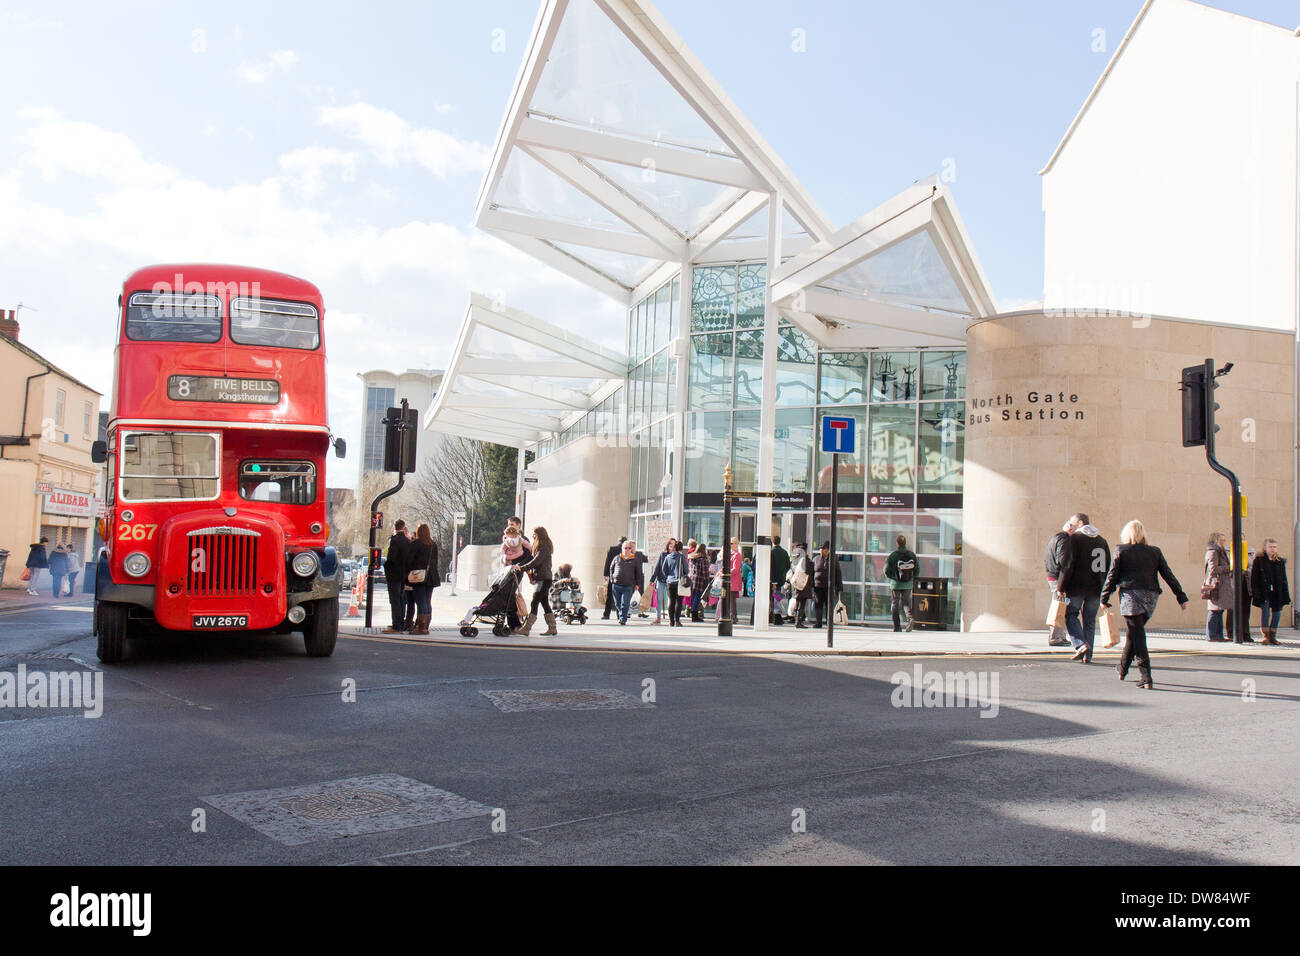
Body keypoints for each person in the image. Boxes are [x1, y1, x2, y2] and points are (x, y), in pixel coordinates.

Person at [1100, 520, 1188, 690]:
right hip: (1150, 597)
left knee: (1137, 635)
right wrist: (1181, 596)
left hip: (1131, 596)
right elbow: (1168, 574)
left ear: (1127, 534)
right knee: (1134, 633)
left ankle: (1146, 676)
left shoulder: (1121, 550)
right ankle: (1122, 667)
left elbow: (1112, 576)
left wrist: (1104, 597)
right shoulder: (1155, 552)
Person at [1057, 514, 1111, 662]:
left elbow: (1067, 565)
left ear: (1081, 523)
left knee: (1070, 615)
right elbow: (1107, 566)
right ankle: (1088, 655)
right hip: (1096, 588)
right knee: (1089, 620)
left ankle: (1080, 644)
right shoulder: (1102, 541)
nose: (1071, 527)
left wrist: (1061, 587)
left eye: (1073, 524)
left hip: (1077, 587)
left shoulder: (1074, 539)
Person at [515, 526, 556, 636]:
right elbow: (531, 559)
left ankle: (526, 628)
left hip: (544, 579)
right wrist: (520, 565)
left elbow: (536, 561)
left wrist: (522, 568)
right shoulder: (540, 545)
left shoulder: (544, 546)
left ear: (539, 534)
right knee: (544, 603)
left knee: (534, 602)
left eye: (534, 533)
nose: (533, 536)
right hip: (542, 578)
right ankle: (552, 628)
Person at [1250, 537, 1290, 645]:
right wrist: (1255, 592)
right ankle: (1265, 636)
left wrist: (1286, 593)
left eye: (1274, 547)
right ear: (1265, 548)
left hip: (1277, 592)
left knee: (1277, 614)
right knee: (1266, 613)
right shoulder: (1259, 560)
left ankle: (1273, 636)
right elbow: (1254, 578)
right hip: (1264, 591)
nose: (1272, 549)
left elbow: (1283, 579)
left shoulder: (1280, 561)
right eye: (1270, 547)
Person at [403, 524, 442, 635]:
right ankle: (426, 625)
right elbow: (435, 561)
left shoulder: (416, 544)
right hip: (431, 576)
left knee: (421, 601)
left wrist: (409, 572)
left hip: (419, 576)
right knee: (427, 601)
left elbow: (409, 560)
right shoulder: (433, 545)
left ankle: (421, 627)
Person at [1044, 519, 1074, 646]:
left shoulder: (1056, 538)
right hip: (1058, 578)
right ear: (1070, 529)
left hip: (1053, 575)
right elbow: (1063, 562)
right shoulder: (1064, 539)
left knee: (1059, 605)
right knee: (1058, 606)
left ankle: (1060, 636)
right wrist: (1063, 583)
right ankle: (1055, 637)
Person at [884, 534, 919, 632]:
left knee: (895, 604)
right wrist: (911, 578)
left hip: (895, 583)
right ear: (905, 543)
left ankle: (897, 626)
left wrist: (892, 577)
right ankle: (910, 619)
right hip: (908, 584)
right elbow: (917, 569)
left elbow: (886, 569)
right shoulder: (911, 555)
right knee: (906, 603)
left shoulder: (893, 555)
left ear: (897, 543)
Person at [382, 520, 412, 633]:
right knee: (401, 599)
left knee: (394, 600)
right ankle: (400, 622)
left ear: (394, 527)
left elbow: (391, 558)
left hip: (394, 575)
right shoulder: (407, 541)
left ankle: (396, 625)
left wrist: (386, 567)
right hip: (404, 575)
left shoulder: (395, 540)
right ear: (403, 527)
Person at [1203, 532, 1233, 643]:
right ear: (1216, 540)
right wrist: (1229, 567)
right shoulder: (1214, 552)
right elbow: (1213, 569)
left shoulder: (1218, 551)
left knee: (1219, 610)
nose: (1224, 542)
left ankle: (1218, 635)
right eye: (1222, 540)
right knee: (1214, 610)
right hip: (1217, 584)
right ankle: (1212, 635)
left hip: (1221, 584)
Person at [608, 538, 644, 625]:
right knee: (617, 603)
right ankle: (621, 613)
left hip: (628, 585)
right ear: (622, 548)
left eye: (629, 548)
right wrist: (612, 579)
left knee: (625, 602)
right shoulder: (617, 558)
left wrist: (638, 584)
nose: (627, 549)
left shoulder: (635, 559)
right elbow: (611, 568)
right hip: (616, 584)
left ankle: (623, 619)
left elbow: (638, 573)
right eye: (626, 548)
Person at [813, 541, 843, 630]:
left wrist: (839, 587)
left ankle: (828, 622)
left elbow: (838, 573)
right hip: (817, 586)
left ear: (828, 550)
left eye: (823, 549)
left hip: (828, 586)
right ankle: (818, 622)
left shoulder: (833, 559)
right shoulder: (816, 559)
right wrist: (811, 584)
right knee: (818, 604)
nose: (821, 550)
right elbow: (812, 572)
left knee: (828, 605)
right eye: (820, 549)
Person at [715, 538, 744, 624]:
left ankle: (733, 616)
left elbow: (736, 568)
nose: (730, 545)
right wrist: (721, 572)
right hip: (730, 580)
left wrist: (726, 573)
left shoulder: (737, 555)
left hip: (733, 581)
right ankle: (730, 615)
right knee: (728, 599)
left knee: (731, 600)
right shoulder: (730, 554)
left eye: (731, 543)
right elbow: (727, 566)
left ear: (736, 544)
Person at [648, 538, 676, 626]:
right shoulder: (663, 554)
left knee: (671, 600)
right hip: (661, 580)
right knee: (659, 599)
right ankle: (658, 617)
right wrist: (652, 579)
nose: (672, 547)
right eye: (670, 545)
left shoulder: (676, 555)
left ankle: (672, 618)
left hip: (670, 581)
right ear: (668, 545)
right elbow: (657, 567)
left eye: (674, 545)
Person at [787, 542, 814, 628]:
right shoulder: (805, 560)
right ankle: (798, 621)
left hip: (796, 585)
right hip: (804, 585)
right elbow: (808, 571)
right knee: (801, 603)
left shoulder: (795, 560)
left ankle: (796, 620)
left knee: (798, 602)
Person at [601, 536, 625, 620]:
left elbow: (608, 562)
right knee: (620, 596)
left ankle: (606, 614)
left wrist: (605, 574)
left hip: (612, 575)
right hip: (622, 576)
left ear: (618, 541)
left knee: (610, 595)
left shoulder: (612, 549)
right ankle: (619, 614)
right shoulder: (626, 550)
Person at [688, 542, 711, 623]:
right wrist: (707, 581)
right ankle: (694, 616)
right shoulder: (703, 560)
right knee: (697, 598)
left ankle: (693, 614)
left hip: (693, 580)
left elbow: (690, 570)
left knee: (694, 597)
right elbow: (705, 572)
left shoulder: (692, 558)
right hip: (700, 580)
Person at [770, 536, 791, 622]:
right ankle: (777, 614)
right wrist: (783, 573)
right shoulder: (785, 552)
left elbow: (771, 567)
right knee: (777, 596)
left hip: (773, 578)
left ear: (772, 542)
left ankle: (775, 614)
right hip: (781, 579)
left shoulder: (771, 552)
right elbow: (788, 566)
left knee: (772, 597)